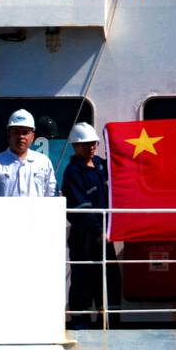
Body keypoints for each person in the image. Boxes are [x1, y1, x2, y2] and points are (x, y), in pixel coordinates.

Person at [61, 122, 121, 328]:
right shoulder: (72, 173)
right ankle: (81, 325)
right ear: (75, 146)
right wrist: (99, 231)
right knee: (83, 281)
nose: (91, 147)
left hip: (105, 234)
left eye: (94, 143)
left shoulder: (101, 165)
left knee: (110, 280)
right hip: (85, 237)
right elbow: (81, 207)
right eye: (85, 144)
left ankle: (111, 323)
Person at [0, 108, 57, 197]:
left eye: (25, 132)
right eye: (16, 132)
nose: (21, 136)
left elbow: (52, 197)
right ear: (8, 135)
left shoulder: (43, 162)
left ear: (32, 136)